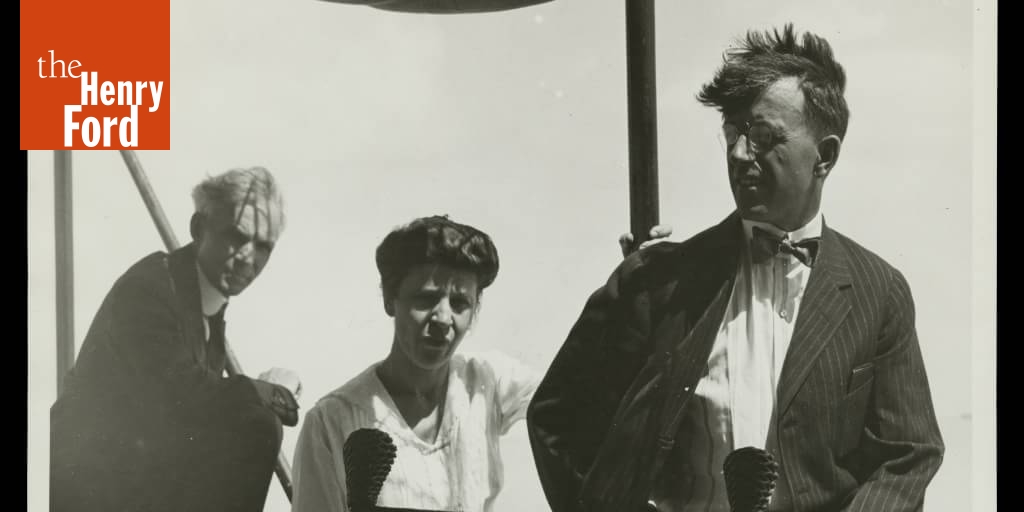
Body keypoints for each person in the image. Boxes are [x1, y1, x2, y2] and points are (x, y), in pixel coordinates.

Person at [527, 24, 945, 512]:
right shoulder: (659, 282)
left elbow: (908, 455)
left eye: (765, 136)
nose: (740, 154)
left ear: (825, 156)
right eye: (733, 134)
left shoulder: (879, 292)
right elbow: (558, 420)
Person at [290, 216, 670, 512]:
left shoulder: (486, 380)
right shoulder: (331, 422)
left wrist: (633, 291)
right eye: (426, 298)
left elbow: (580, 396)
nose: (442, 319)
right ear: (390, 300)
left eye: (460, 304)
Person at [50, 166, 303, 512]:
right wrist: (265, 391)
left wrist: (259, 392)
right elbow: (179, 396)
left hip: (135, 476)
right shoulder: (151, 287)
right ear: (198, 229)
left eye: (263, 247)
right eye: (237, 236)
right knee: (257, 424)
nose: (249, 257)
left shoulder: (204, 304)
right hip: (91, 488)